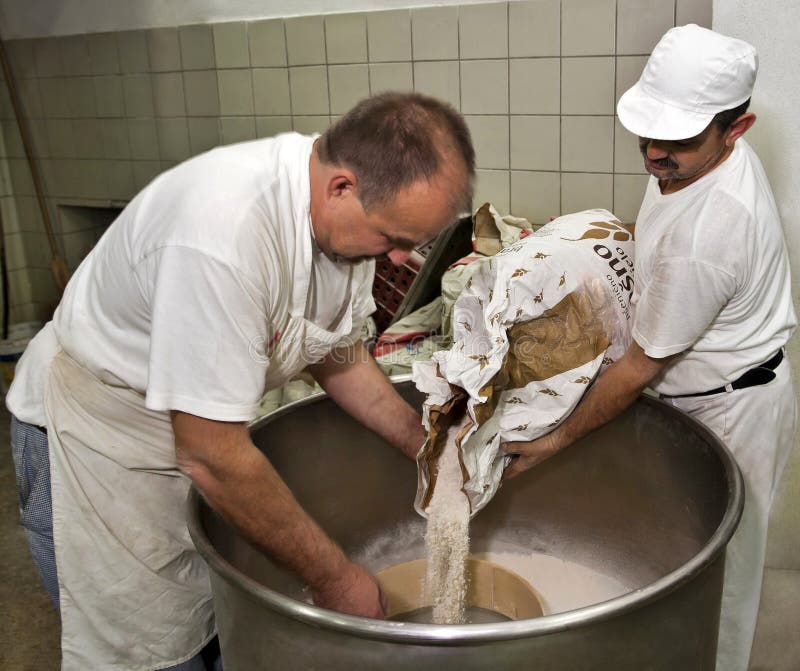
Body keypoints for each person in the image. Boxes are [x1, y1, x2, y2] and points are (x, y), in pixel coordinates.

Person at [8, 91, 475, 670]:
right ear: (342, 187)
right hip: (101, 445)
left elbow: (338, 354)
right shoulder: (221, 237)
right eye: (393, 238)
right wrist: (337, 580)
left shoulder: (336, 230)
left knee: (215, 621)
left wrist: (423, 445)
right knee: (147, 651)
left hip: (194, 434)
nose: (403, 260)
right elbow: (210, 455)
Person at [501, 24, 796, 671]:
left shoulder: (717, 228)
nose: (655, 153)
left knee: (724, 571)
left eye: (677, 141)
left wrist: (552, 438)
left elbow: (638, 368)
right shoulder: (681, 163)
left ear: (736, 128)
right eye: (648, 133)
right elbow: (655, 232)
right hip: (688, 381)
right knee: (677, 552)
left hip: (733, 406)